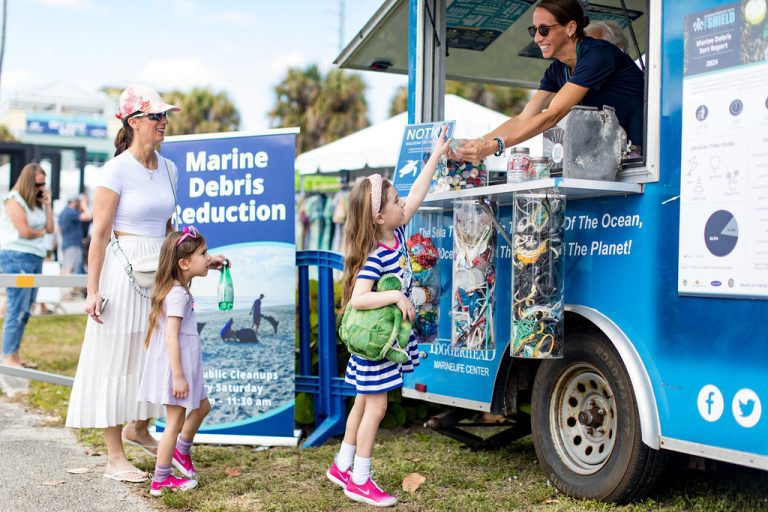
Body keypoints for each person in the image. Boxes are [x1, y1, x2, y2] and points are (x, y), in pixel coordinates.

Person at [65, 85, 224, 483]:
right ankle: (114, 456)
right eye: (156, 116)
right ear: (134, 122)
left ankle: (139, 428)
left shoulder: (169, 169)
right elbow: (99, 235)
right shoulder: (115, 170)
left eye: (165, 115)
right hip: (123, 271)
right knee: (115, 357)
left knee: (153, 355)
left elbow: (170, 230)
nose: (164, 122)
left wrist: (198, 261)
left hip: (160, 270)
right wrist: (93, 290)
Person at [326, 126, 450, 507]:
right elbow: (359, 298)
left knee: (363, 403)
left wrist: (435, 155)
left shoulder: (395, 233)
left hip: (379, 341)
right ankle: (360, 479)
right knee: (376, 406)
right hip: (377, 345)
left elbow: (417, 193)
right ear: (380, 217)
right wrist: (396, 295)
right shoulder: (376, 255)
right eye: (396, 202)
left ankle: (342, 466)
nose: (403, 204)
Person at [455, 0, 645, 162]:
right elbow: (524, 118)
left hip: (645, 153)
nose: (537, 38)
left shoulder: (597, 54)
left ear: (571, 28)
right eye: (534, 30)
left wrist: (495, 145)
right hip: (614, 158)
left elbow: (553, 115)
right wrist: (477, 142)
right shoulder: (557, 69)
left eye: (544, 30)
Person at [138, 227, 212, 496]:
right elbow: (171, 336)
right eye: (204, 254)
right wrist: (178, 376)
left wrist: (210, 262)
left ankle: (181, 451)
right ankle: (161, 478)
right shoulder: (178, 294)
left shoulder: (177, 287)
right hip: (176, 368)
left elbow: (174, 336)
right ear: (184, 263)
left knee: (203, 406)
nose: (208, 258)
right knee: (174, 423)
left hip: (185, 364)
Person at [0, 163, 54, 367]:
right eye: (38, 184)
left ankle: (14, 355)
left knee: (26, 309)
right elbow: (25, 232)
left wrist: (47, 204)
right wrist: (39, 233)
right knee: (17, 308)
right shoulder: (13, 200)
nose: (41, 188)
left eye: (43, 184)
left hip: (35, 256)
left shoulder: (37, 203)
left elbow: (50, 228)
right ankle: (8, 356)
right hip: (16, 256)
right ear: (27, 182)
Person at [58, 194, 92, 275]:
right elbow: (89, 216)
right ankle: (67, 284)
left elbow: (59, 229)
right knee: (71, 270)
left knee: (67, 268)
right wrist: (84, 206)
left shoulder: (63, 212)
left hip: (67, 244)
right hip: (73, 245)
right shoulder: (71, 212)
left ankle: (64, 283)